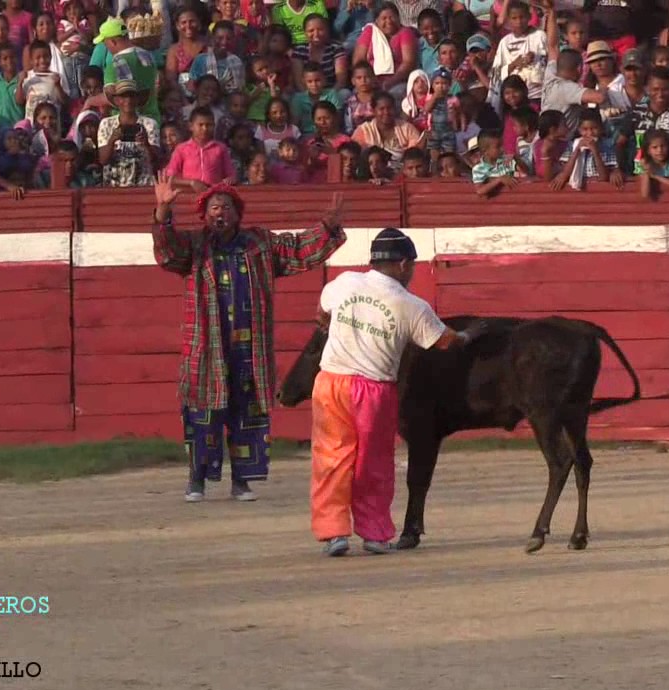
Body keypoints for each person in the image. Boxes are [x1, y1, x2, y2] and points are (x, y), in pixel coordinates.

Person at [151, 173, 347, 503]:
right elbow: (167, 253)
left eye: (226, 207)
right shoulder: (195, 247)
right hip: (208, 347)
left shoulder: (259, 245)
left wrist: (326, 227)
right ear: (204, 215)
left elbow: (298, 251)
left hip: (249, 349)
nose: (220, 213)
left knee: (249, 415)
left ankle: (241, 481)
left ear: (238, 214)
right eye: (214, 207)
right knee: (203, 415)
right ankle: (196, 479)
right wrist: (162, 212)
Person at [309, 229, 487, 557]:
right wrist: (468, 336)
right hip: (373, 389)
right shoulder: (409, 304)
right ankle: (374, 534)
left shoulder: (344, 282)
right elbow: (443, 341)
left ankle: (333, 534)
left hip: (330, 382)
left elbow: (322, 313)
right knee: (373, 462)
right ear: (403, 264)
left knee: (331, 457)